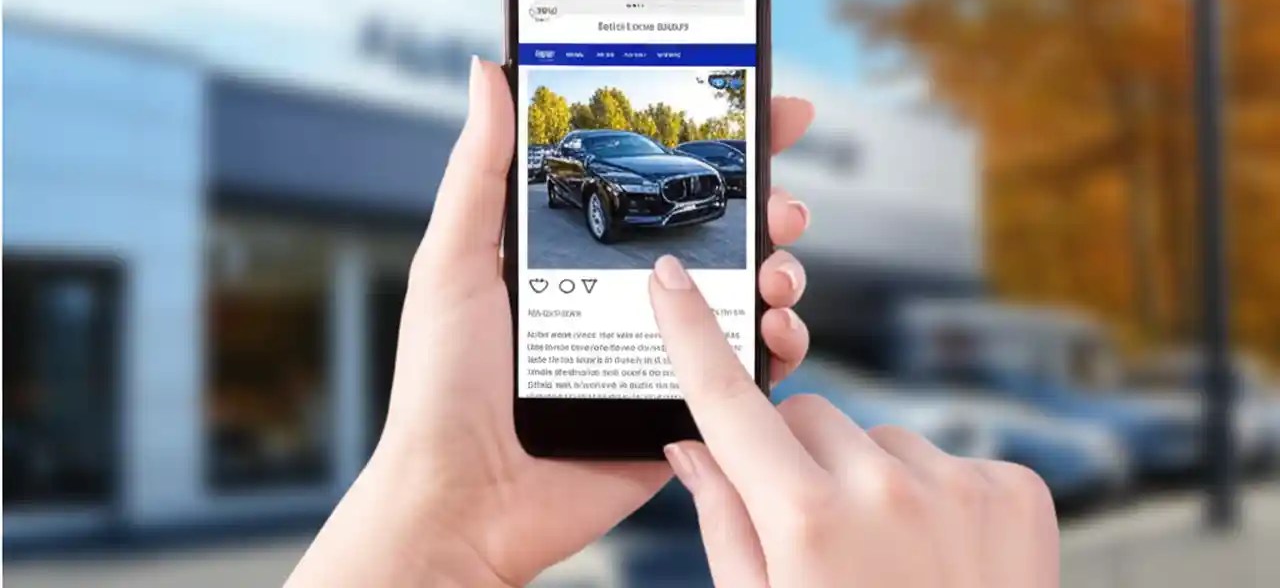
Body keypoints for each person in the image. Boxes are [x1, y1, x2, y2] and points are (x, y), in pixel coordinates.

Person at [286, 58, 1059, 587]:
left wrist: (440, 529)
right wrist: (435, 513)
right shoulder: (583, 158)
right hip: (615, 203)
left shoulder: (657, 156)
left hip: (665, 193)